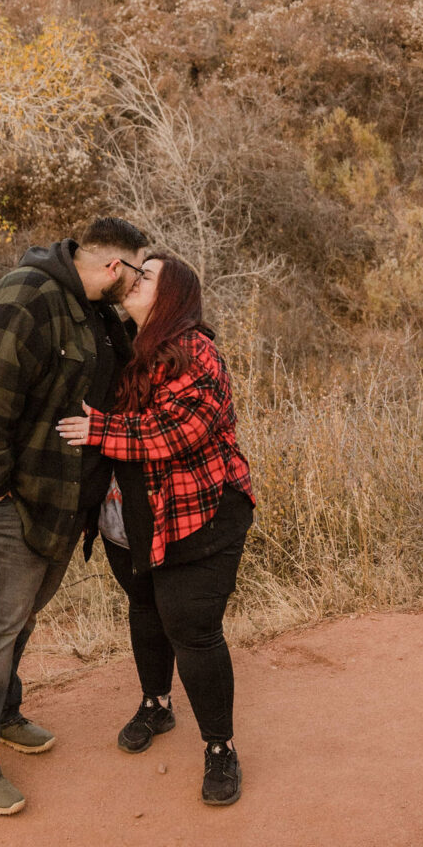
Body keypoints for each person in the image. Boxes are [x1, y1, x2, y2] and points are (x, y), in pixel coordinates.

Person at [0, 216, 151, 816]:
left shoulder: (94, 311)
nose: (135, 284)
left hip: (55, 499)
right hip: (1, 497)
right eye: (135, 271)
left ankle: (3, 715)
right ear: (114, 267)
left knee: (21, 614)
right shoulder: (26, 297)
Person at [57, 253, 254, 808]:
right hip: (133, 518)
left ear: (171, 297)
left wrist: (100, 430)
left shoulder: (196, 350)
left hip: (199, 516)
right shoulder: (125, 344)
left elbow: (177, 432)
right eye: (136, 271)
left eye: (147, 277)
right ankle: (156, 704)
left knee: (191, 627)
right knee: (145, 608)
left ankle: (220, 747)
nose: (134, 279)